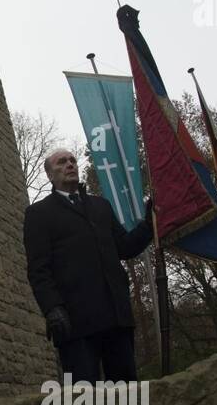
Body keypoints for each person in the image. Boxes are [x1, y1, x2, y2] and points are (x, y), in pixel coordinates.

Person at [22, 148, 153, 383]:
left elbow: (124, 247)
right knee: (83, 402)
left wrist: (149, 224)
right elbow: (38, 270)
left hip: (116, 318)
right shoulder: (39, 214)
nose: (70, 164)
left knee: (126, 395)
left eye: (72, 160)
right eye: (62, 162)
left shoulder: (101, 206)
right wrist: (52, 308)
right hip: (75, 324)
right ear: (50, 175)